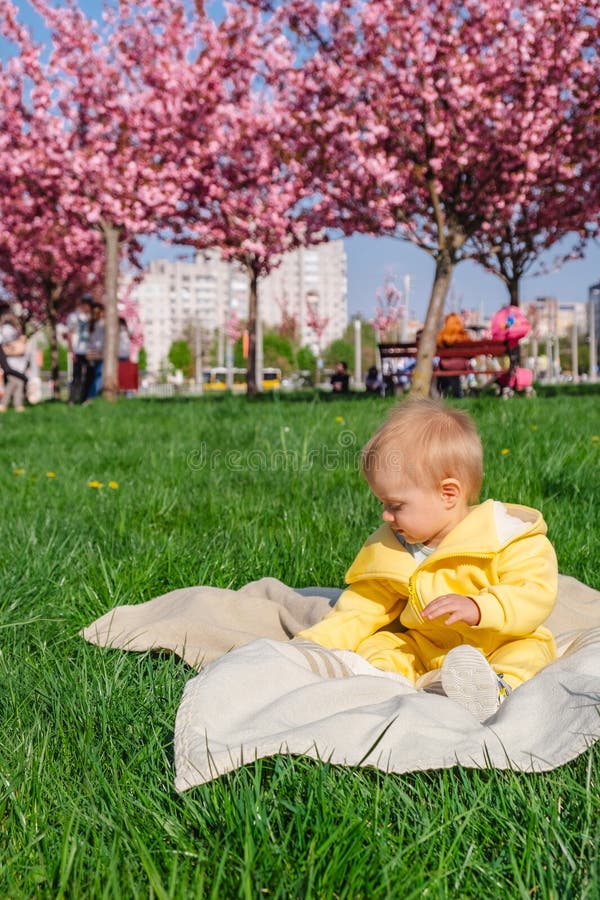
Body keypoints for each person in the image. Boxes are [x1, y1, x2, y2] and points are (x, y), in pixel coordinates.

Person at [297, 399, 558, 721]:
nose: (385, 515)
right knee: (383, 645)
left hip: (500, 641)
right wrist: (313, 644)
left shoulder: (508, 538)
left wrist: (479, 608)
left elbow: (533, 592)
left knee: (530, 653)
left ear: (448, 494)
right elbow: (361, 608)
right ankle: (381, 685)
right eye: (383, 503)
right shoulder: (392, 548)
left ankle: (496, 688)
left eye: (395, 505)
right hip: (427, 644)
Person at [66, 296, 93, 404]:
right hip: (78, 350)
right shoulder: (73, 317)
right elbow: (69, 334)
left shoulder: (92, 317)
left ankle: (84, 398)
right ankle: (72, 399)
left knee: (89, 376)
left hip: (90, 351)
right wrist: (71, 351)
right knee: (76, 376)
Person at [0, 311, 28, 413]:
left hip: (18, 363)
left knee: (19, 383)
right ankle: (4, 404)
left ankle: (18, 405)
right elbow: (6, 346)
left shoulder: (15, 330)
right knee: (13, 382)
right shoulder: (7, 330)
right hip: (11, 363)